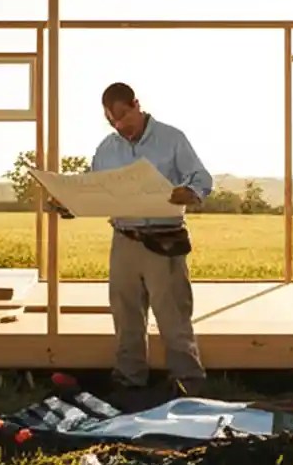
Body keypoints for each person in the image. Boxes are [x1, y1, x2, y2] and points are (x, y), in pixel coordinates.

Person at [48, 82, 213, 397]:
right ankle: (129, 380)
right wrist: (68, 206)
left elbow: (201, 178)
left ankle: (189, 384)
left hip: (163, 241)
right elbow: (93, 191)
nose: (119, 125)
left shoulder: (172, 139)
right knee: (125, 315)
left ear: (137, 105)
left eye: (123, 116)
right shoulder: (106, 149)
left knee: (173, 316)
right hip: (123, 240)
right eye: (112, 120)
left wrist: (190, 192)